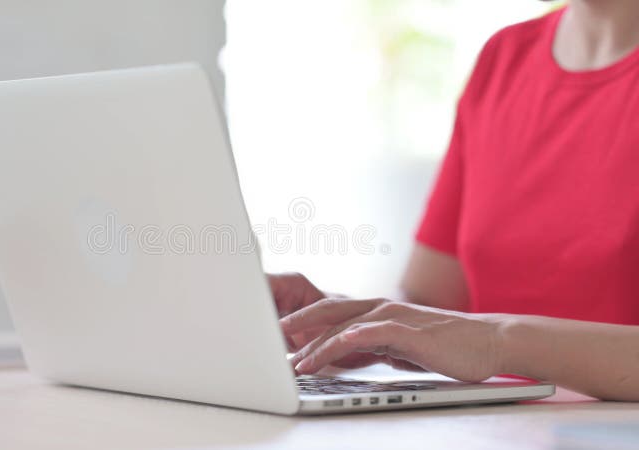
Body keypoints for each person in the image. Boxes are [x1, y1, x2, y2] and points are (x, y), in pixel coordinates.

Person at [270, 0, 639, 401]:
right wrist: (353, 325)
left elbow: (477, 336)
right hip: (491, 430)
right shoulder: (505, 58)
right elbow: (431, 304)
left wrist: (499, 342)